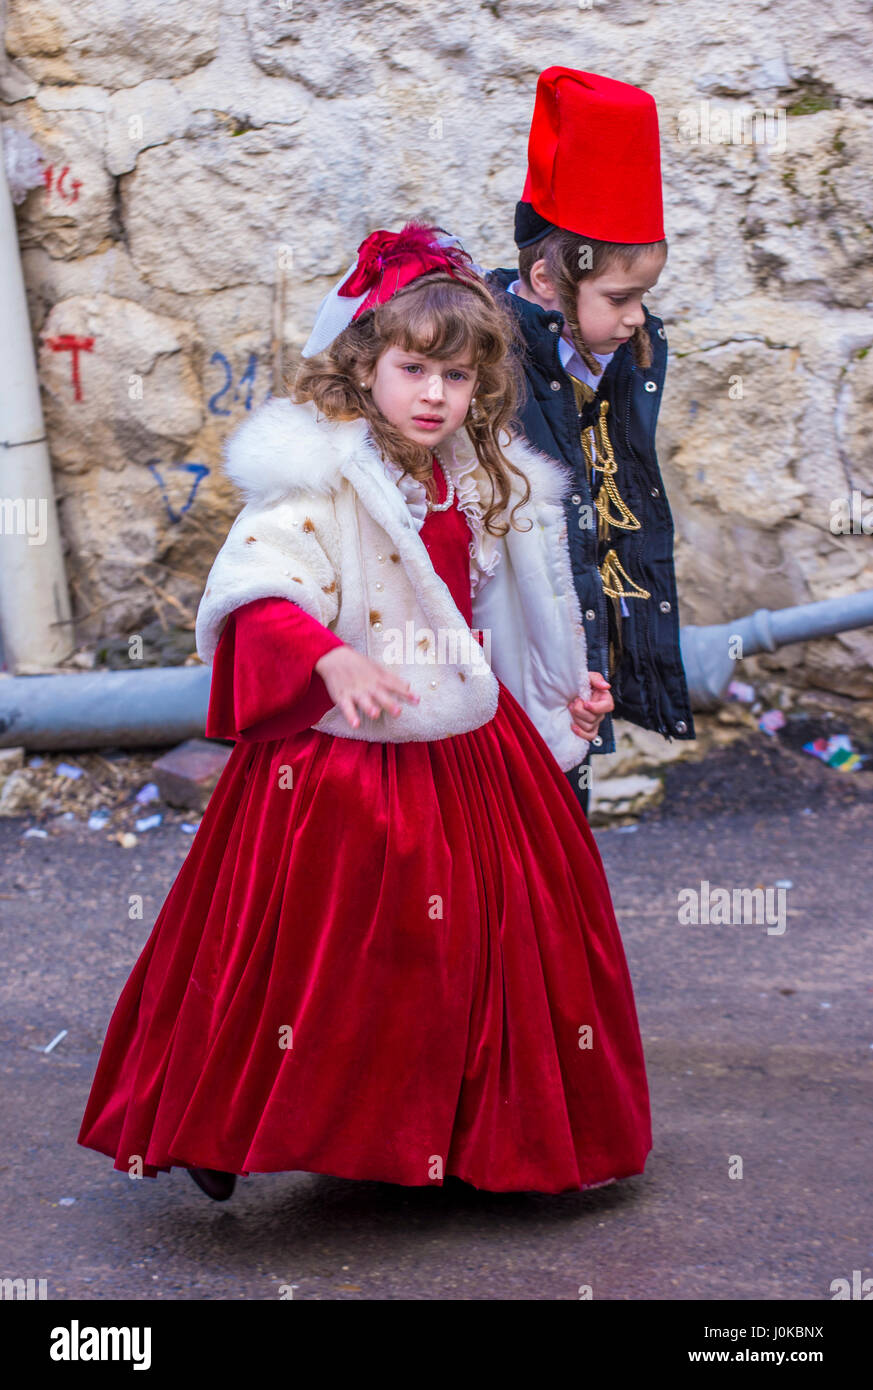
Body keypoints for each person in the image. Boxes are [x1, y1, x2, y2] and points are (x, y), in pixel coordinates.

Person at [77, 223, 652, 1201]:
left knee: (486, 942)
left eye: (459, 377)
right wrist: (330, 658)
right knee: (312, 954)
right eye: (414, 367)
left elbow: (508, 608)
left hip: (470, 743)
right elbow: (259, 593)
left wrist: (565, 696)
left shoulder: (475, 477)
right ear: (363, 364)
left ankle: (469, 1137)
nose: (436, 394)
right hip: (342, 756)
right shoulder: (319, 476)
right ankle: (232, 1119)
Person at [485, 67, 696, 816]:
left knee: (558, 820)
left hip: (578, 649)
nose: (637, 317)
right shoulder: (479, 357)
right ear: (546, 280)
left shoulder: (627, 352)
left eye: (644, 296)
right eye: (619, 297)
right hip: (501, 643)